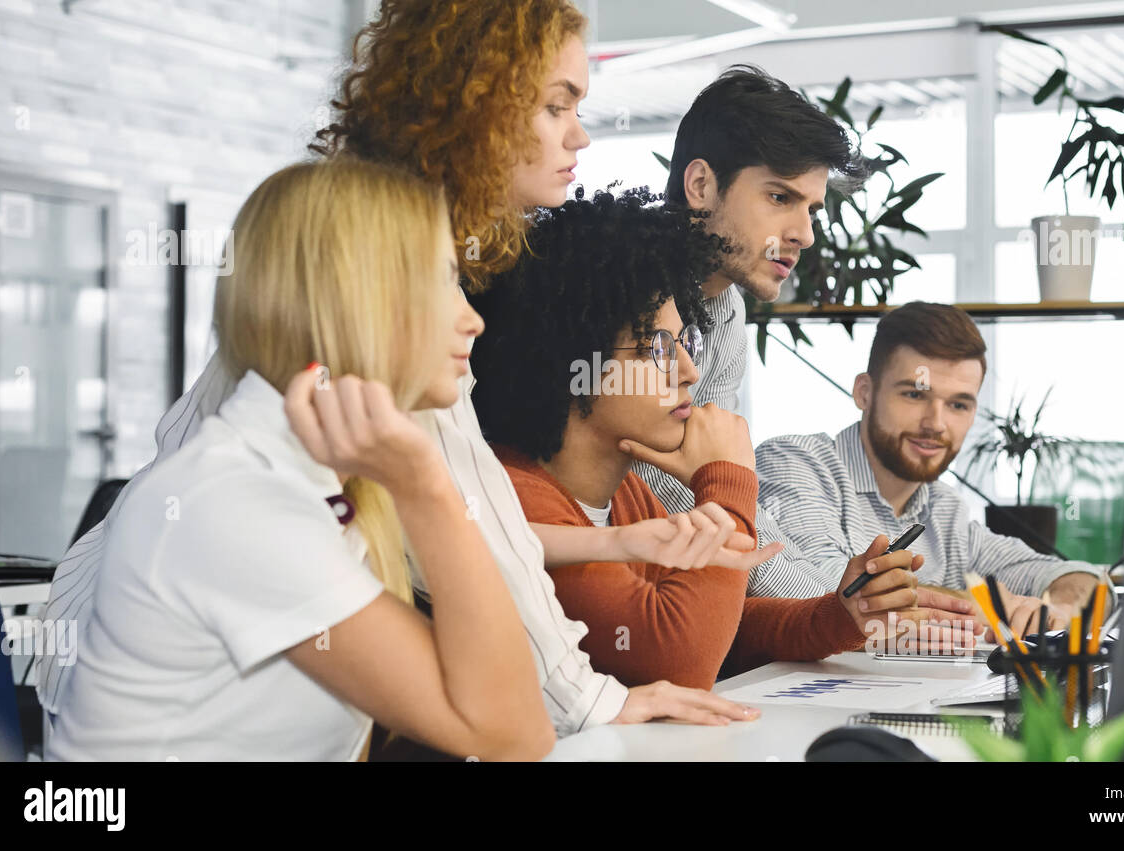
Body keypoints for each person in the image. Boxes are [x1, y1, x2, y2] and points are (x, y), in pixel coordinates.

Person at [38, 0, 758, 749]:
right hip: (150, 655)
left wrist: (606, 569)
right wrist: (591, 699)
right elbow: (461, 509)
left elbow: (471, 519)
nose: (578, 134)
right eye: (555, 105)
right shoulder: (355, 263)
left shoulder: (377, 270)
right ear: (478, 105)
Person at [47, 160, 554, 760]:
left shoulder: (317, 477)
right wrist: (427, 486)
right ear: (351, 297)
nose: (473, 317)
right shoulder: (235, 500)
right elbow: (514, 733)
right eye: (441, 281)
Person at [470, 189, 978, 688]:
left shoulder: (625, 494)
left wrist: (839, 617)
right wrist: (729, 484)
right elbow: (678, 658)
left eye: (685, 342)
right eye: (656, 347)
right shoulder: (519, 496)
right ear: (572, 364)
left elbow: (719, 627)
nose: (689, 370)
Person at [628, 65, 877, 600]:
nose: (805, 235)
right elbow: (682, 488)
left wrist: (840, 597)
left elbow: (716, 482)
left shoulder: (725, 307)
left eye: (812, 208)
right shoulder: (622, 298)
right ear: (701, 185)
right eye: (780, 198)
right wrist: (830, 605)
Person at [755, 301, 1106, 640]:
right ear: (864, 392)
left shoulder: (943, 509)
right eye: (914, 395)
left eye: (957, 404)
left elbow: (1080, 579)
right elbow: (828, 589)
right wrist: (989, 606)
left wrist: (1057, 609)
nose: (936, 424)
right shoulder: (796, 462)